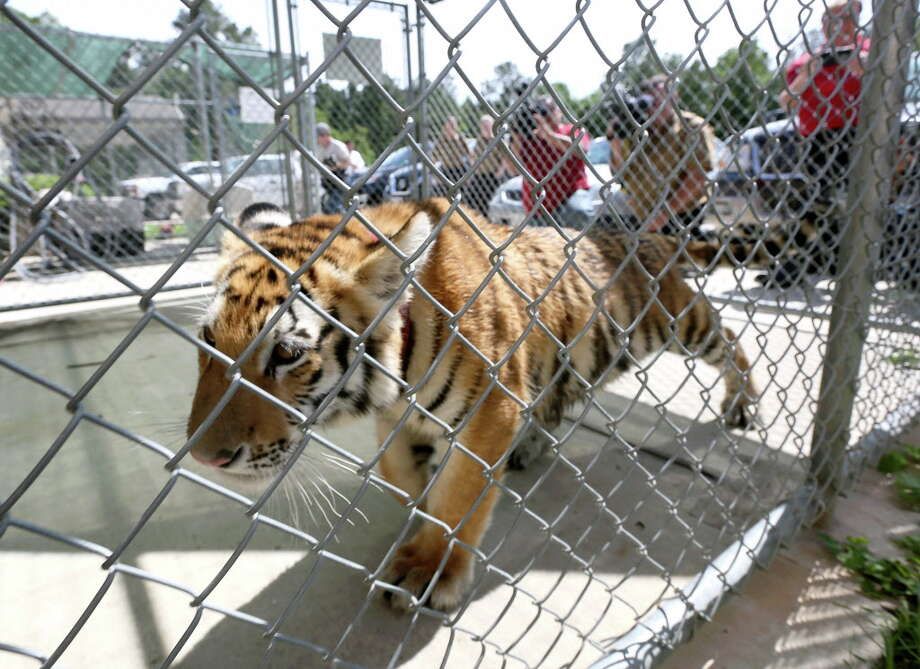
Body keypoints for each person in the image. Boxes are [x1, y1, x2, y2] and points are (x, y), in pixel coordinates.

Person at [764, 0, 869, 288]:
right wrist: (807, 75)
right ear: (822, 25)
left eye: (846, 19)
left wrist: (860, 65)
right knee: (811, 203)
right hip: (816, 140)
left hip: (859, 136)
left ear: (857, 22)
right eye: (830, 20)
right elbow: (786, 102)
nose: (838, 26)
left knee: (856, 202)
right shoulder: (807, 60)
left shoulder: (871, 52)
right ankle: (805, 261)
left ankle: (848, 261)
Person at [606, 74, 716, 239]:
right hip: (642, 213)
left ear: (674, 96)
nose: (655, 104)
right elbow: (619, 171)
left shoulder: (691, 127)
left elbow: (697, 178)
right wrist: (616, 137)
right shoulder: (636, 129)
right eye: (650, 99)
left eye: (661, 97)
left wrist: (664, 214)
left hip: (682, 214)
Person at [509, 95, 590, 227]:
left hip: (570, 197)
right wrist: (516, 133)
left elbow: (582, 150)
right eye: (541, 111)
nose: (546, 115)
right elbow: (513, 168)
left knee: (579, 214)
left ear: (559, 111)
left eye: (550, 109)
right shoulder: (530, 138)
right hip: (538, 205)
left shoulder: (571, 129)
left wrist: (549, 135)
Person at [466, 115, 507, 216]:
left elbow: (505, 158)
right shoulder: (478, 141)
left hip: (493, 175)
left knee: (489, 202)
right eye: (484, 125)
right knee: (472, 200)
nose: (486, 128)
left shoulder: (498, 140)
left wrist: (500, 172)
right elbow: (473, 159)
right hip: (479, 175)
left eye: (488, 125)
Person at [315, 122, 352, 214]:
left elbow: (349, 163)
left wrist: (335, 166)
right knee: (325, 205)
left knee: (334, 205)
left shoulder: (338, 146)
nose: (317, 139)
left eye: (320, 136)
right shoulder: (318, 147)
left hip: (341, 178)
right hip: (328, 181)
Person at [431, 116, 471, 192]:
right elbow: (434, 157)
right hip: (445, 169)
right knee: (444, 191)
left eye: (452, 125)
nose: (450, 127)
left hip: (459, 168)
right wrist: (435, 175)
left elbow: (468, 154)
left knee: (461, 191)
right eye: (449, 125)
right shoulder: (441, 140)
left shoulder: (460, 138)